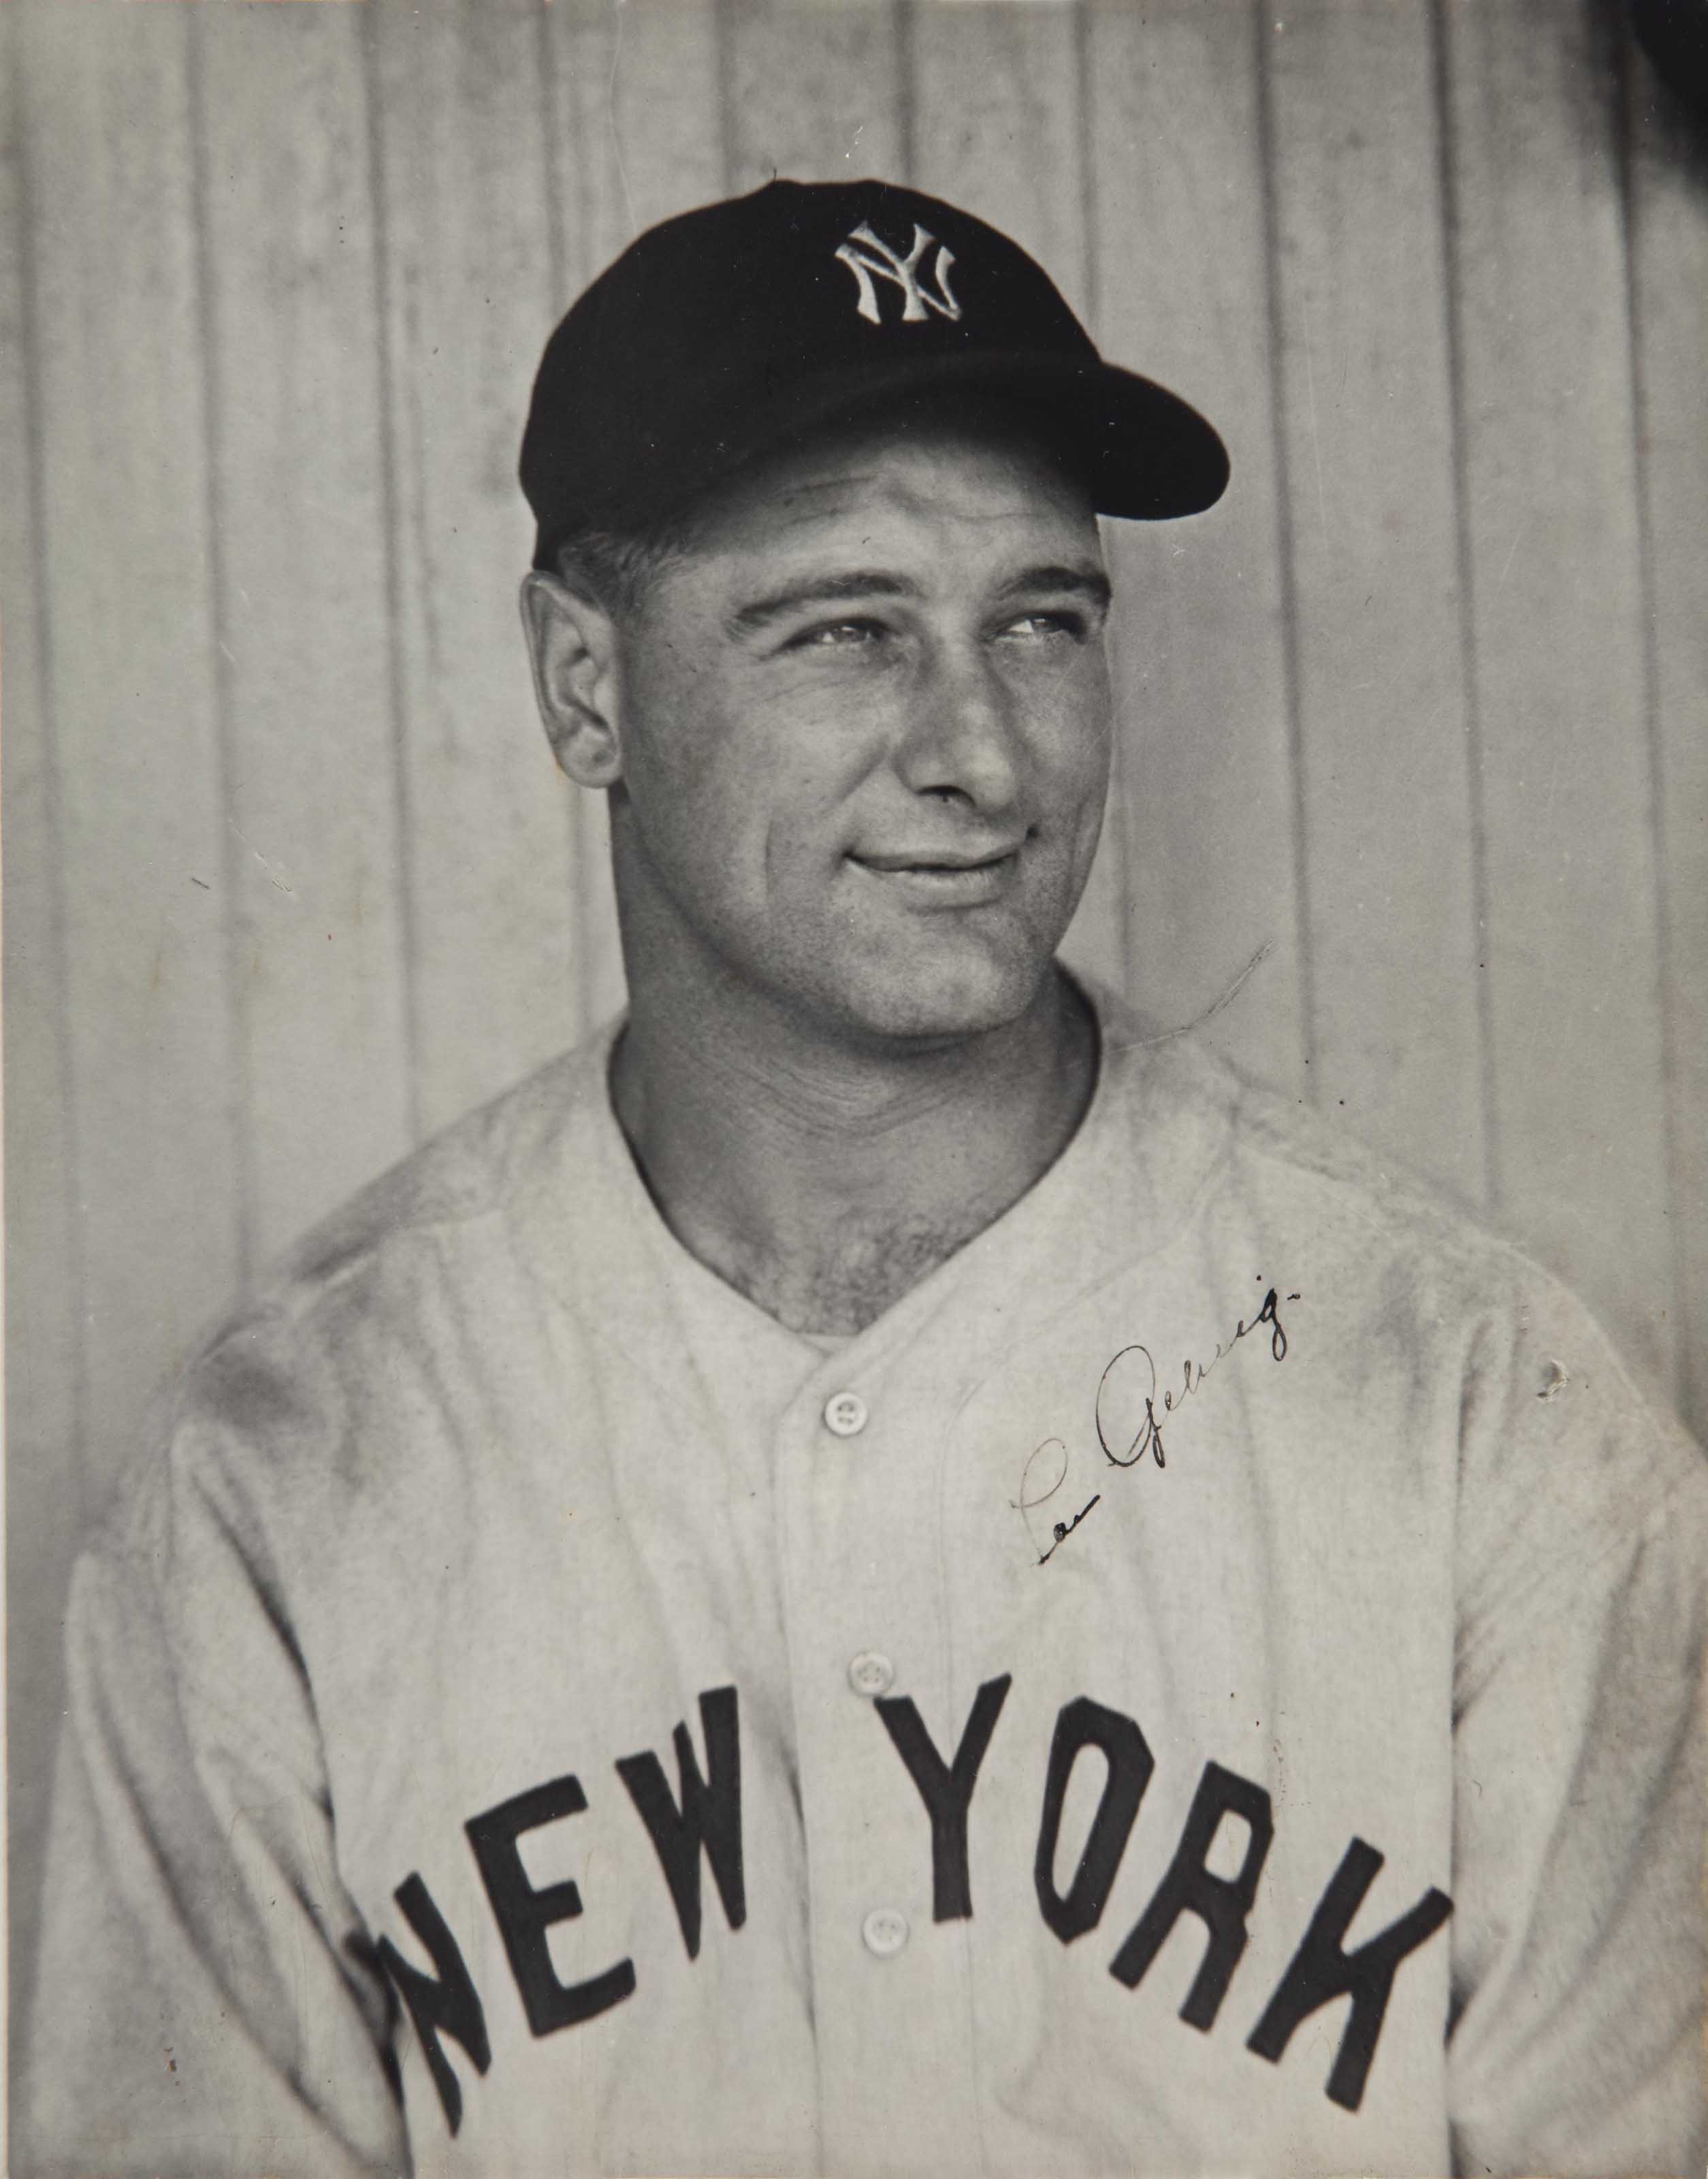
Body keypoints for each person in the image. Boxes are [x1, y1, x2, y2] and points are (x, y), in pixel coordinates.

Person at [22, 178, 1707, 2179]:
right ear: (585, 683)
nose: (983, 753)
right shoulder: (285, 1476)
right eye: (846, 633)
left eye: (1042, 625)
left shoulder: (1481, 1408)